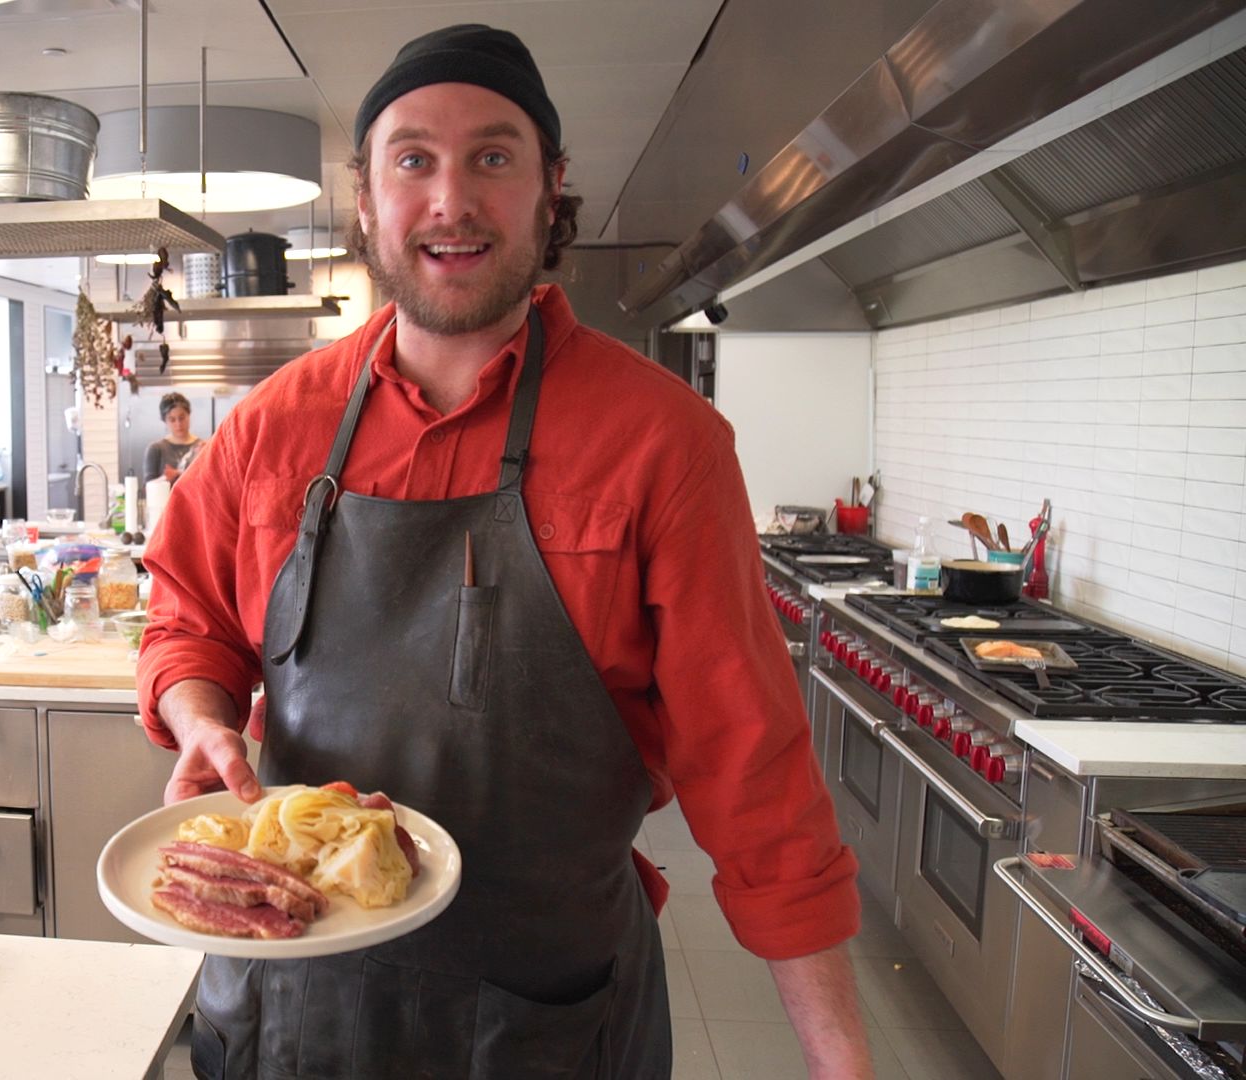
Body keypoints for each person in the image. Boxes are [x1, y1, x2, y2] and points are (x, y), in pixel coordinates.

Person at [137, 23, 873, 1080]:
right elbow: (186, 622)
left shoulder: (664, 444)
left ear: (550, 187)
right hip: (286, 1008)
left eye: (493, 156)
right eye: (413, 161)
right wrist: (199, 717)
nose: (451, 200)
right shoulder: (272, 427)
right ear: (365, 198)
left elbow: (754, 771)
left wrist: (842, 1061)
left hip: (545, 1021)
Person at [142, 392, 206, 483]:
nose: (178, 424)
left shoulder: (202, 447)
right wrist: (164, 478)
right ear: (165, 421)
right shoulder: (155, 449)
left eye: (182, 418)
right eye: (172, 420)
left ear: (189, 415)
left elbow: (209, 484)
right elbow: (147, 487)